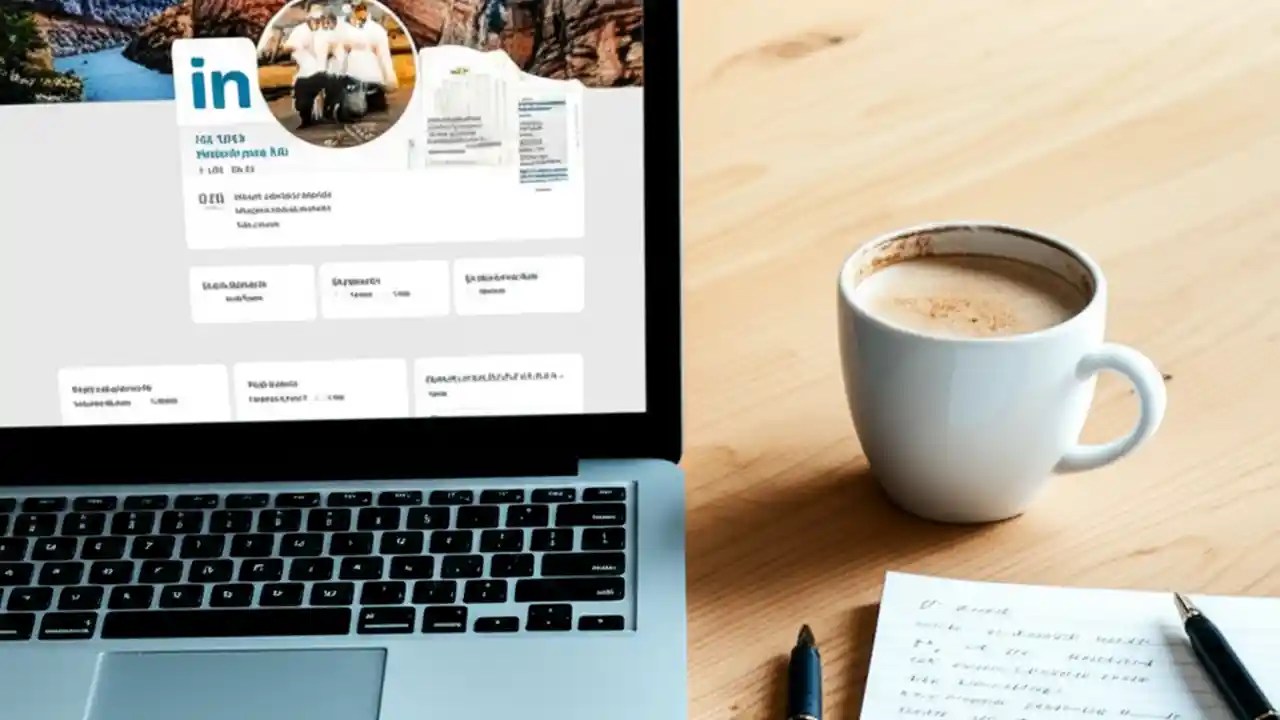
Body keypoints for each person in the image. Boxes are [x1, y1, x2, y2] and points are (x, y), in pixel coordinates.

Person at [340, 0, 398, 117]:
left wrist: (390, 78)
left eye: (361, 8)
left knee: (375, 109)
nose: (359, 11)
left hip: (372, 81)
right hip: (350, 80)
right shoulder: (341, 28)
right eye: (355, 8)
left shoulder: (376, 30)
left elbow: (384, 56)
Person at [282, 4, 328, 127]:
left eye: (319, 18)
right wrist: (297, 46)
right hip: (305, 74)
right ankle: (306, 117)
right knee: (303, 101)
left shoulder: (325, 30)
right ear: (308, 17)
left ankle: (323, 115)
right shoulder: (300, 31)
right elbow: (286, 47)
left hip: (322, 72)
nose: (317, 21)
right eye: (314, 18)